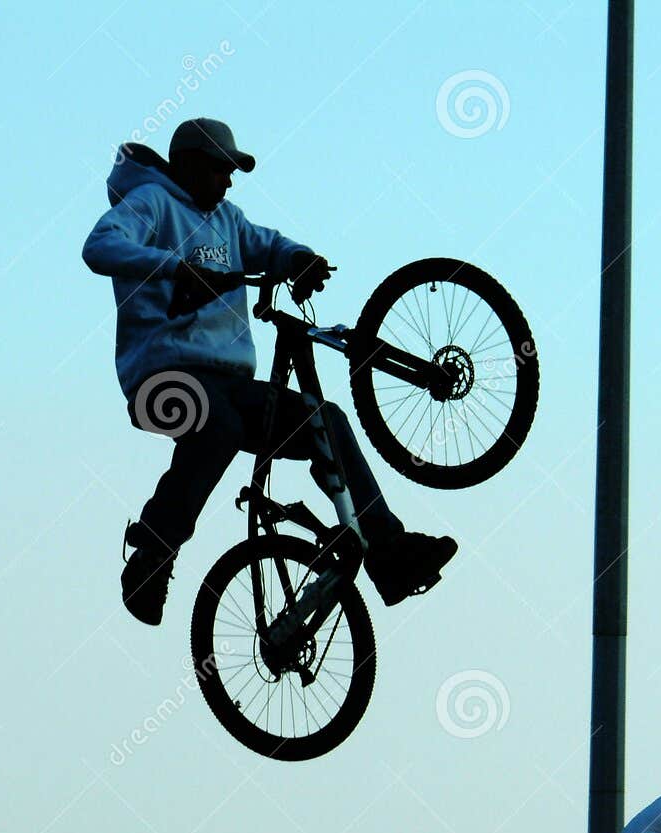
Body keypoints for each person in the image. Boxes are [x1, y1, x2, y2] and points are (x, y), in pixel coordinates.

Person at [82, 117, 458, 626]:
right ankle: (153, 553)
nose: (229, 181)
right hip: (161, 382)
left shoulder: (229, 220)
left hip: (231, 389)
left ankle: (387, 554)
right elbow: (99, 247)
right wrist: (175, 267)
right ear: (191, 164)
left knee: (325, 420)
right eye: (221, 169)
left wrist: (299, 259)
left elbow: (270, 244)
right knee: (219, 427)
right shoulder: (150, 203)